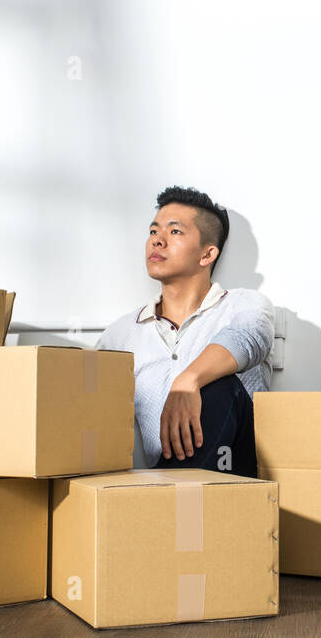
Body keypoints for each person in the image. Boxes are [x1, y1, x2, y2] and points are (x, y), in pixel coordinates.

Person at [96, 186, 273, 477]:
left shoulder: (243, 304)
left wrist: (188, 379)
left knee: (219, 385)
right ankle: (170, 505)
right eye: (154, 231)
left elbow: (249, 337)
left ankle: (172, 507)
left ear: (207, 254)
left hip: (238, 477)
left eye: (175, 232)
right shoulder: (121, 334)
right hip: (165, 476)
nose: (158, 241)